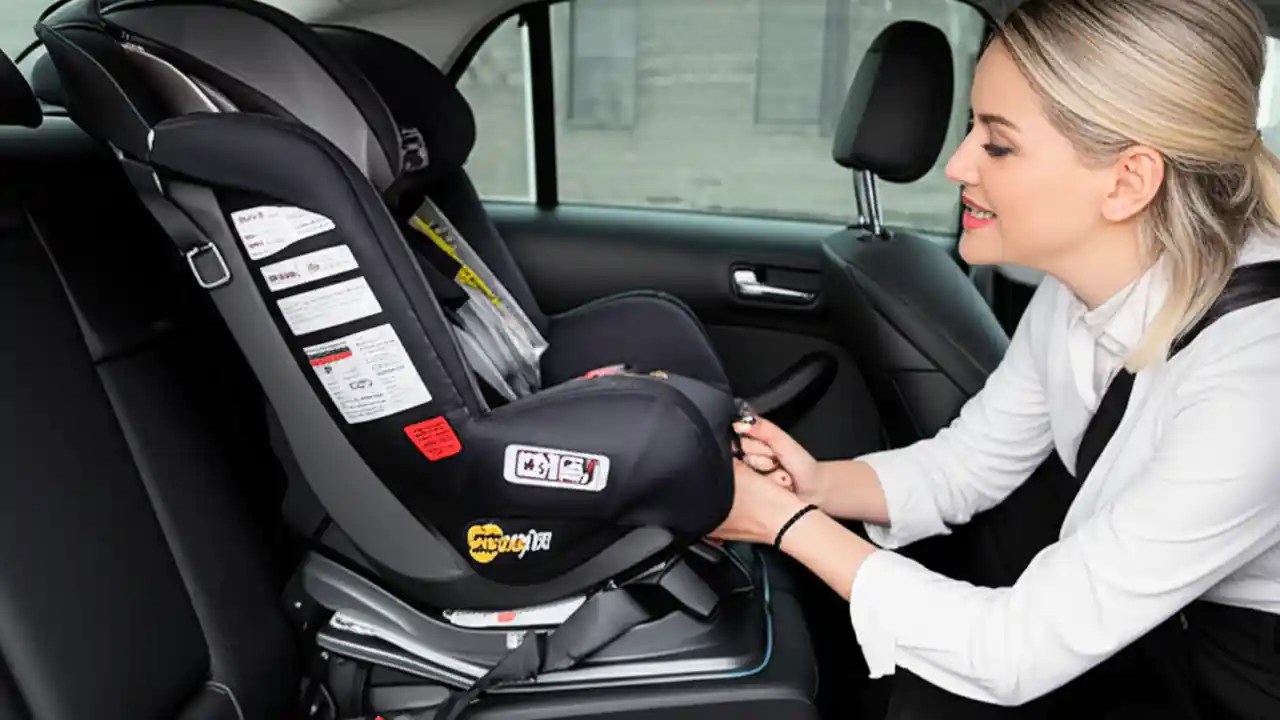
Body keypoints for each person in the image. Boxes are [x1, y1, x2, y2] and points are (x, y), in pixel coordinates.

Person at [710, 0, 1280, 717]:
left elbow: (1012, 651)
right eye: (971, 128)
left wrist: (784, 525)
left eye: (998, 144)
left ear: (1129, 181)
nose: (956, 165)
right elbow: (968, 465)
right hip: (1147, 623)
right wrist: (815, 484)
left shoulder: (1257, 385)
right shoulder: (1080, 286)